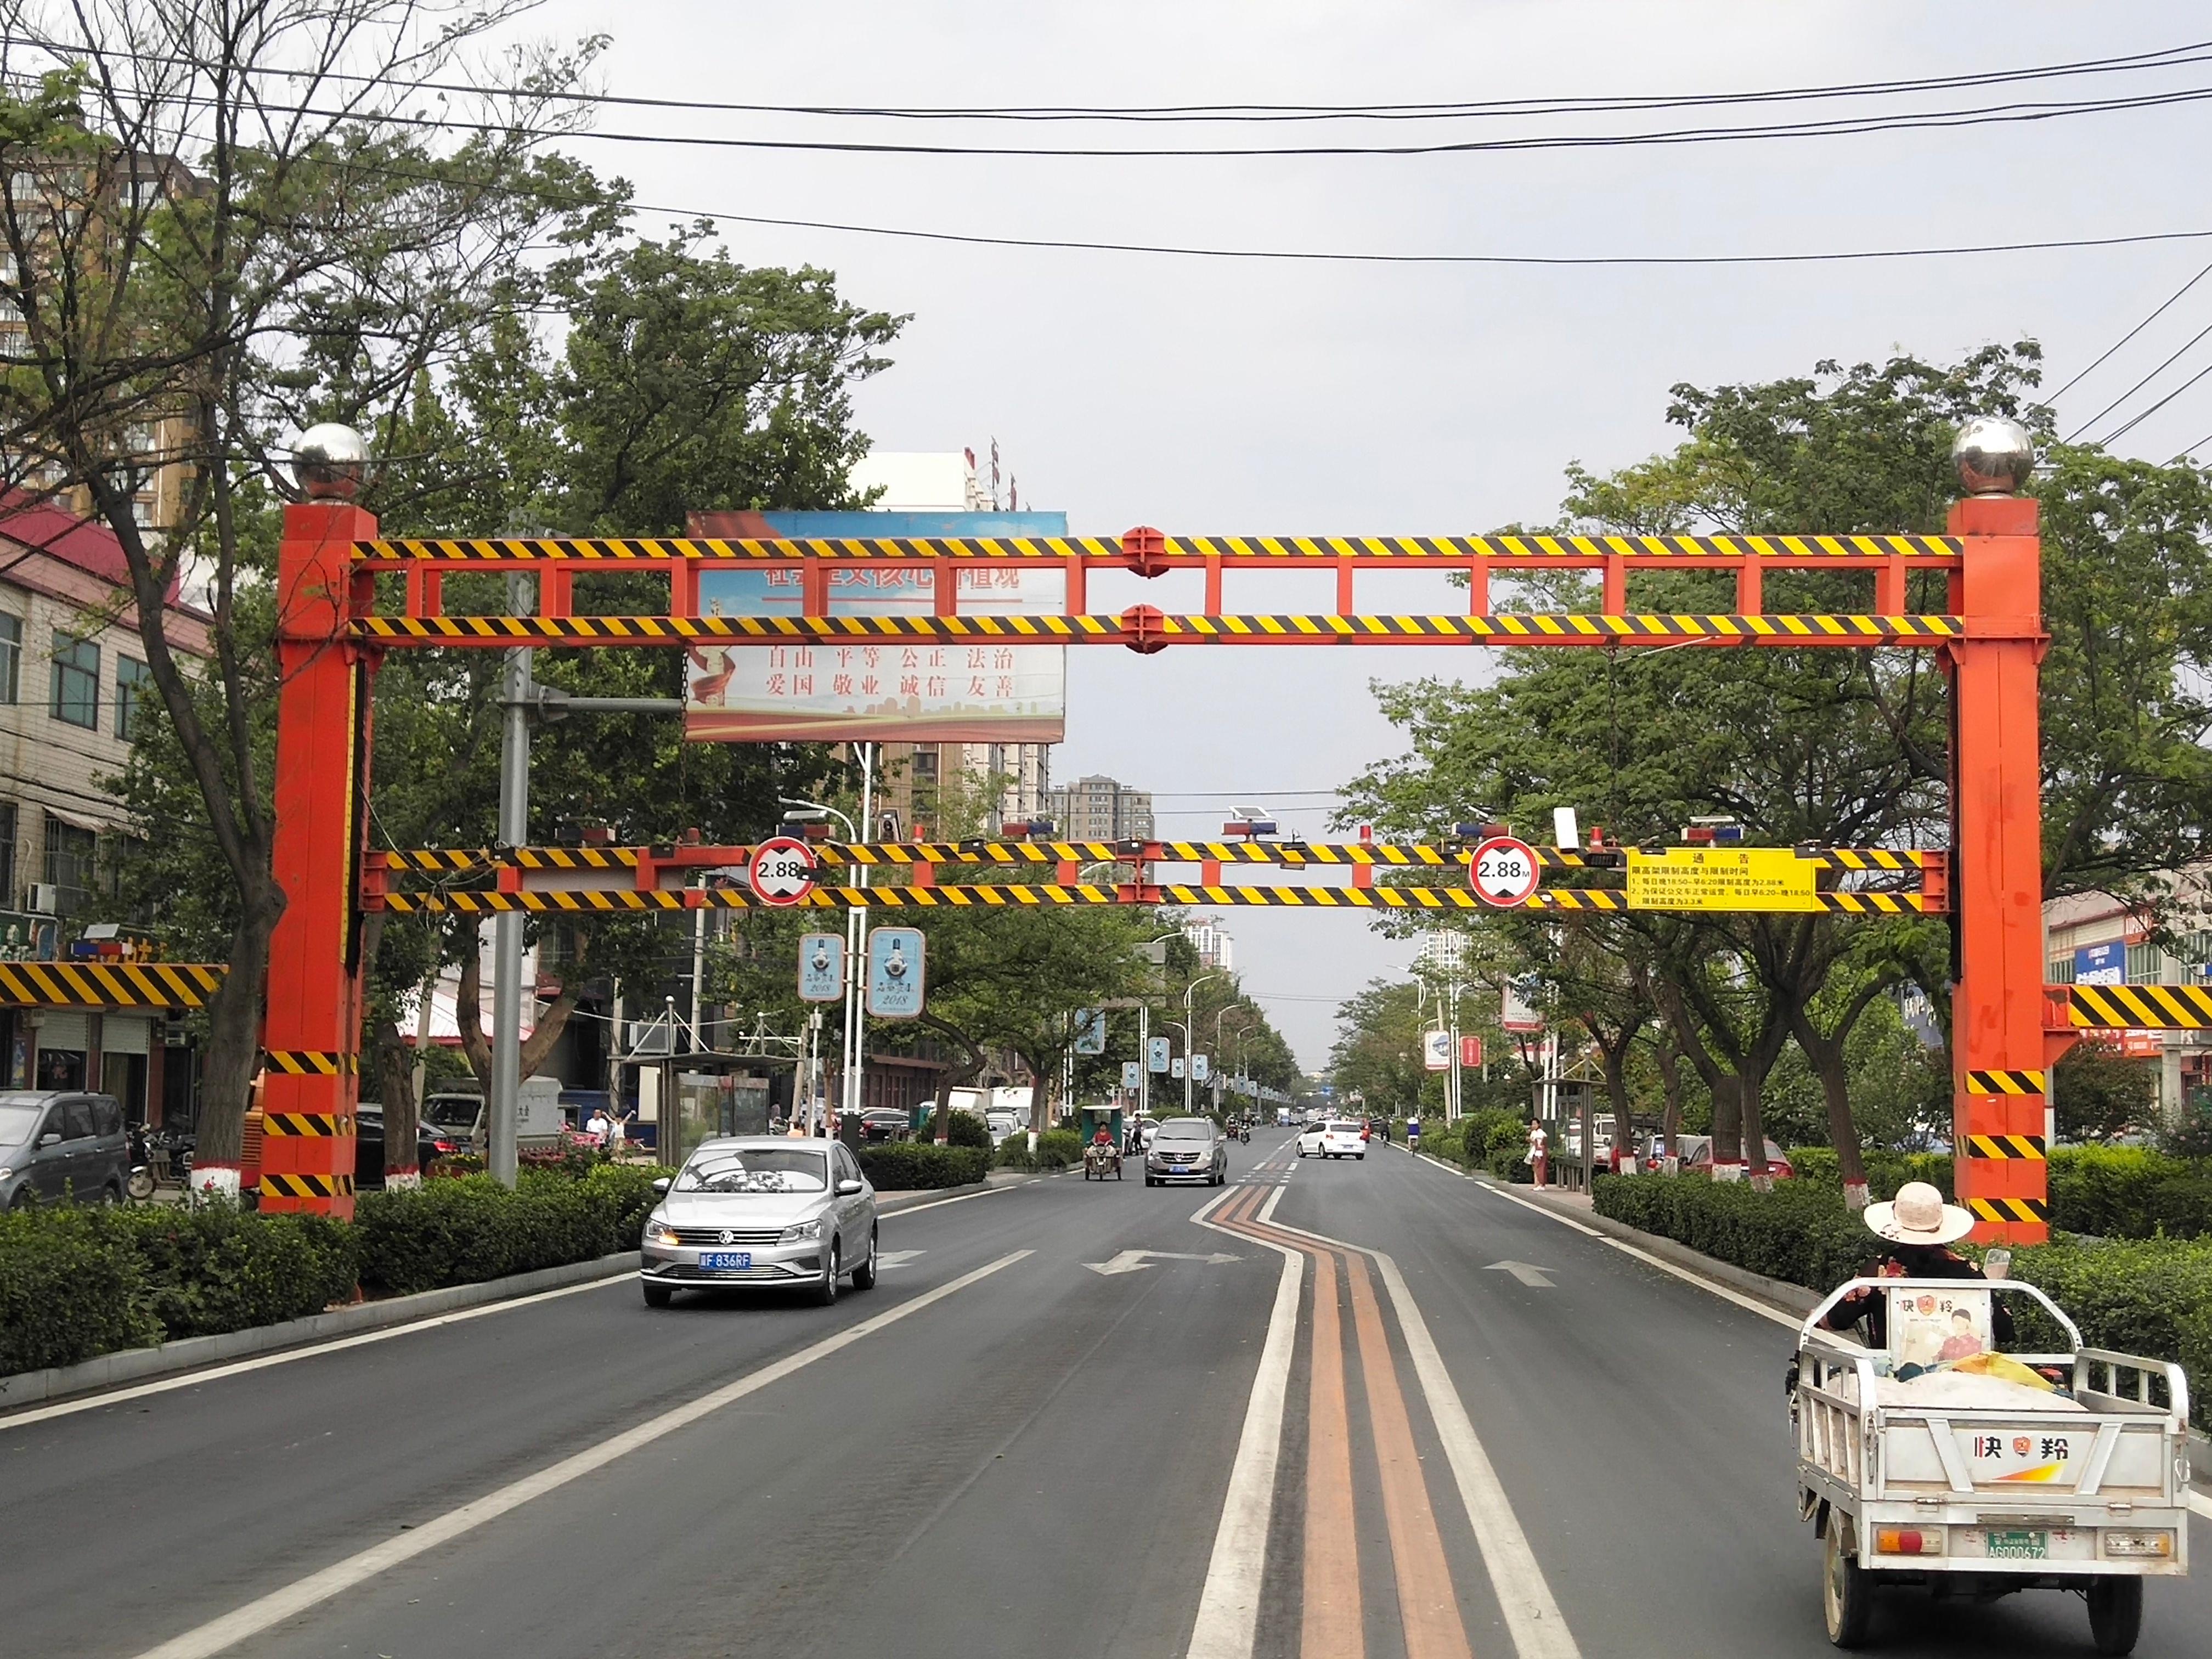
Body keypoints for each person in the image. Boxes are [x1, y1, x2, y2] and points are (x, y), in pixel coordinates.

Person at [1821, 1181, 2013, 1350]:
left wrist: (1819, 1318)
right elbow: (2004, 1330)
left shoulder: (1879, 1270)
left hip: (1892, 1374)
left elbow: (1836, 1318)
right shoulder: (1969, 1271)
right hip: (1962, 1372)